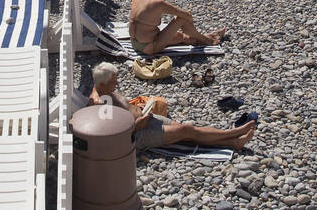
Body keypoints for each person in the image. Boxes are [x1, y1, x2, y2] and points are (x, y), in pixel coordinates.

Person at [90, 62, 256, 151]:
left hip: (147, 120)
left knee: (187, 130)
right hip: (139, 133)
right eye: (114, 81)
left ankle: (233, 142)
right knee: (186, 131)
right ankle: (232, 135)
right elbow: (112, 137)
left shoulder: (102, 88)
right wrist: (136, 126)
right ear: (103, 83)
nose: (117, 83)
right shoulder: (102, 103)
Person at [127, 0, 226, 55]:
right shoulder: (158, 3)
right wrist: (190, 24)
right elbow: (186, 15)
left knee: (181, 37)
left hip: (134, 44)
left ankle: (200, 38)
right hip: (149, 47)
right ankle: (207, 40)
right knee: (182, 19)